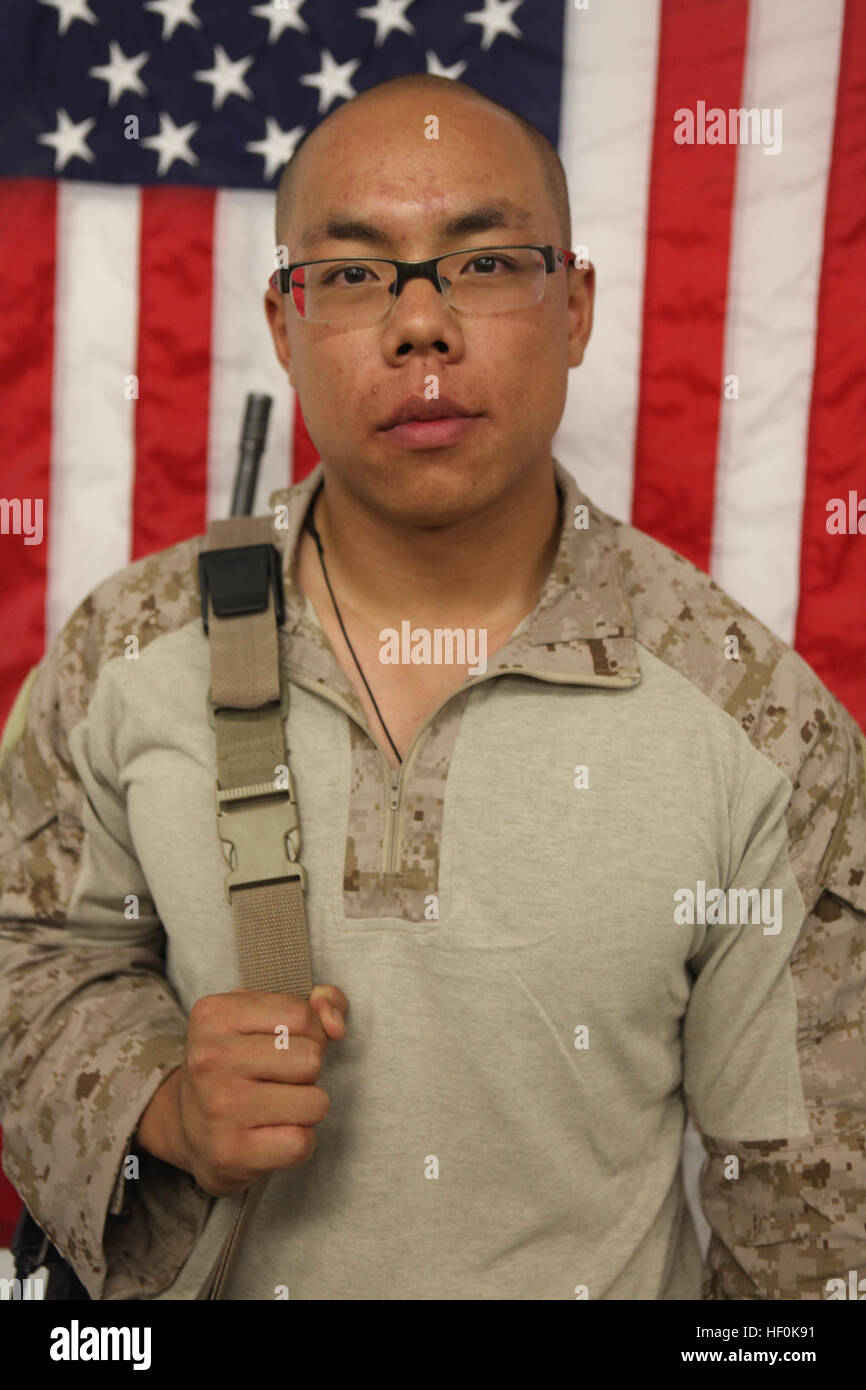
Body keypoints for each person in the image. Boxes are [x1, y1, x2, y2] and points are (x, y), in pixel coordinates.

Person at [0, 73, 864, 1301]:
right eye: (353, 273)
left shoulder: (754, 723)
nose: (419, 324)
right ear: (282, 319)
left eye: (484, 261)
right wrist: (161, 1101)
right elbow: (26, 949)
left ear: (574, 309)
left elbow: (809, 1236)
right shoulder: (128, 653)